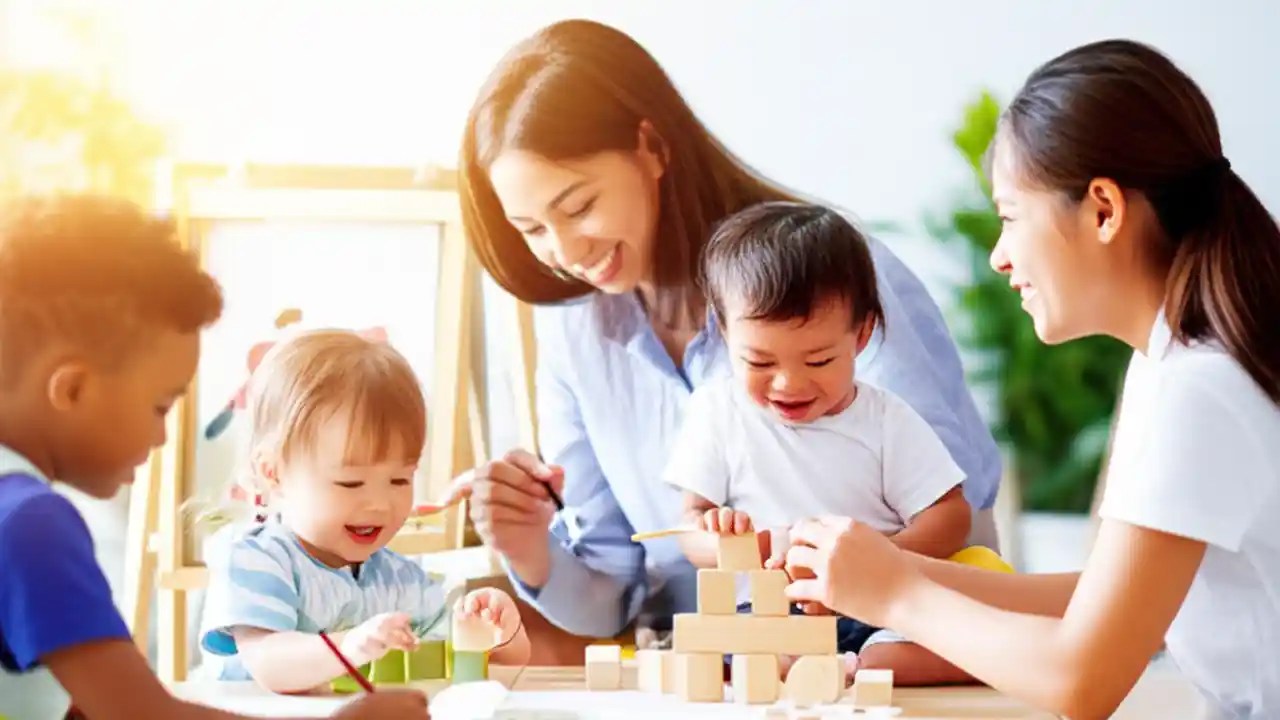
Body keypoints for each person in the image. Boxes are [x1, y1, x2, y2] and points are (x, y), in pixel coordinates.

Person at [455, 18, 1002, 641]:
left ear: (652, 148)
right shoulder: (576, 336)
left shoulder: (837, 280)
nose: (564, 250)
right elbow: (610, 598)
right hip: (730, 658)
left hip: (898, 636)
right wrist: (529, 547)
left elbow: (956, 516)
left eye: (578, 207)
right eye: (531, 228)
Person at [781, 39, 1280, 720]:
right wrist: (886, 574)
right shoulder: (1170, 364)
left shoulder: (1198, 388)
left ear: (1103, 209)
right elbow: (1105, 602)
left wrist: (895, 593)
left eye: (1011, 217)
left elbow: (1083, 680)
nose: (998, 256)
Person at [0, 196, 428, 719]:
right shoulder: (29, 522)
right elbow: (142, 714)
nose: (162, 437)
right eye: (160, 405)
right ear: (72, 390)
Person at [666, 201, 1013, 685]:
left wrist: (881, 560)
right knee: (725, 646)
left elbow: (950, 515)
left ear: (862, 335)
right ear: (725, 335)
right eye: (760, 363)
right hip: (774, 607)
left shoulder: (885, 418)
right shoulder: (717, 412)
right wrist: (719, 537)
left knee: (943, 623)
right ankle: (812, 667)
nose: (788, 384)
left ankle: (855, 667)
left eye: (819, 360)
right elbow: (688, 527)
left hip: (882, 604)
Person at [198, 330, 530, 691]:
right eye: (351, 483)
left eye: (400, 480)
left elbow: (477, 666)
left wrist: (501, 633)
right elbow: (269, 662)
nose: (380, 504)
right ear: (273, 473)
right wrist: (349, 646)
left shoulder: (400, 580)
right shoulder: (257, 560)